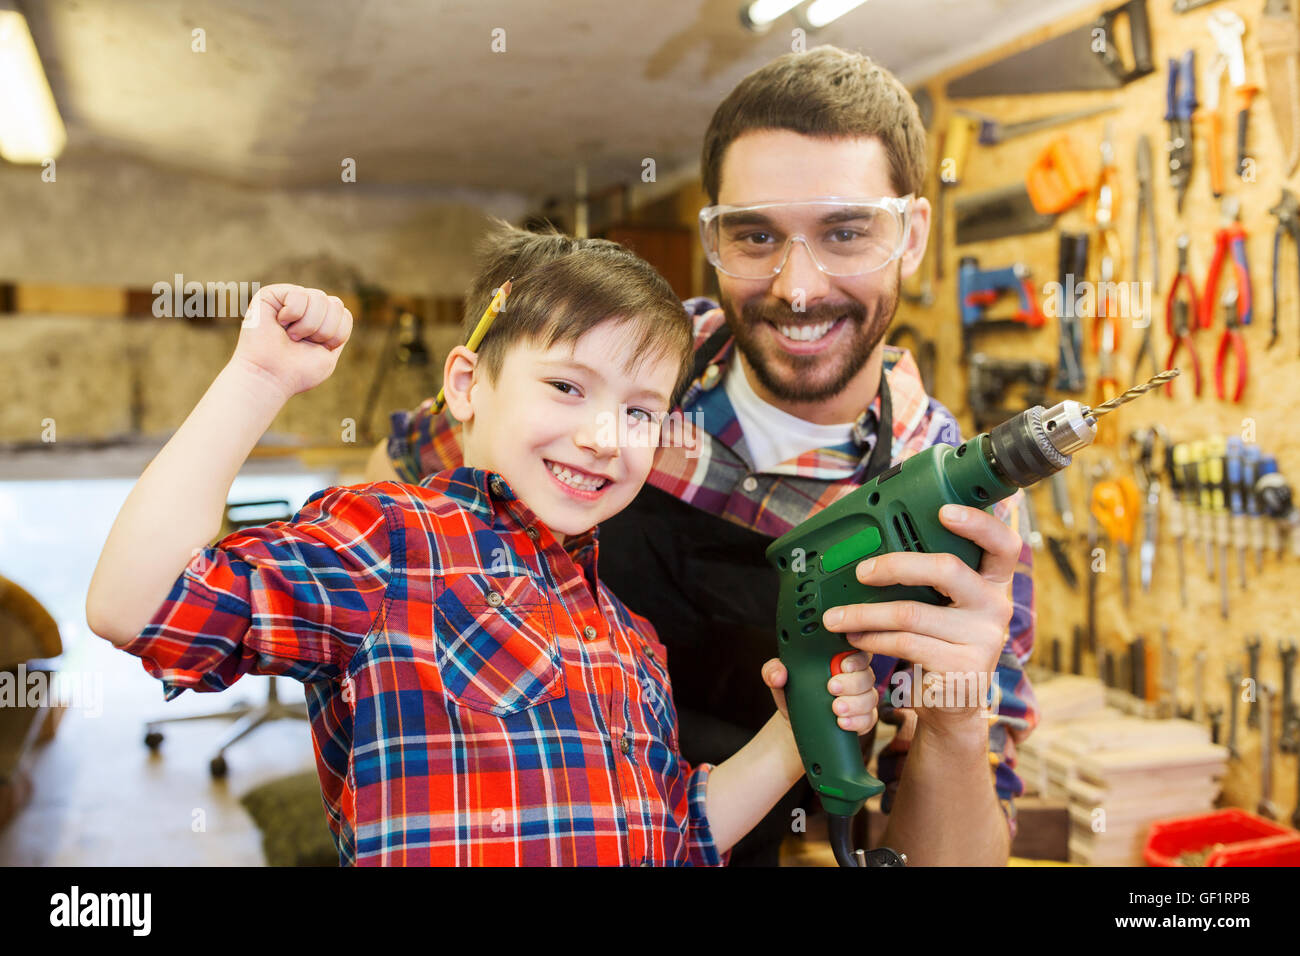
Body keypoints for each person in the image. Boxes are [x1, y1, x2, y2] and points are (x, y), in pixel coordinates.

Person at [369, 46, 1038, 867]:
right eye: (755, 235)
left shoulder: (956, 510)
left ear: (912, 235)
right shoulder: (615, 366)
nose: (797, 287)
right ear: (713, 233)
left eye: (846, 231)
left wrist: (956, 720)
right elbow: (394, 471)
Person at [85, 224, 879, 866]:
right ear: (465, 386)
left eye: (640, 413)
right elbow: (135, 603)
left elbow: (680, 836)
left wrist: (789, 738)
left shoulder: (630, 638)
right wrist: (258, 379)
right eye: (567, 387)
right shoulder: (392, 542)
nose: (605, 437)